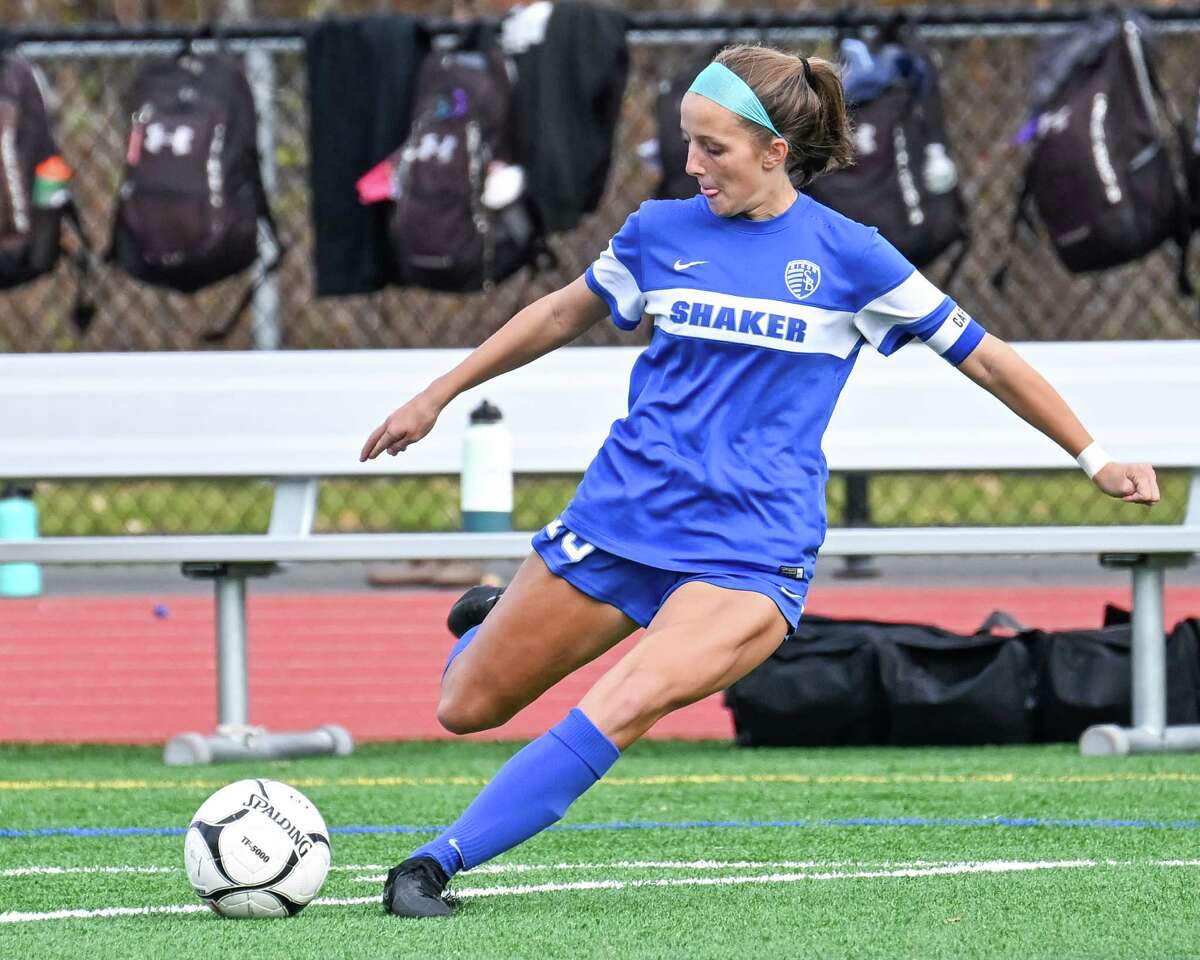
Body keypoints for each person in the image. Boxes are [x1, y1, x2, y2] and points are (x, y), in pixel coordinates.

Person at [359, 44, 1160, 918]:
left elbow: (989, 361)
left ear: (777, 152)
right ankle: (490, 618)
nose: (692, 165)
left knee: (626, 700)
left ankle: (432, 866)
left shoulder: (853, 256)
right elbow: (558, 313)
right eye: (688, 144)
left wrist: (1095, 456)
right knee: (464, 706)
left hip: (749, 555)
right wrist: (437, 394)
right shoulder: (659, 232)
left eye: (714, 149)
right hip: (622, 519)